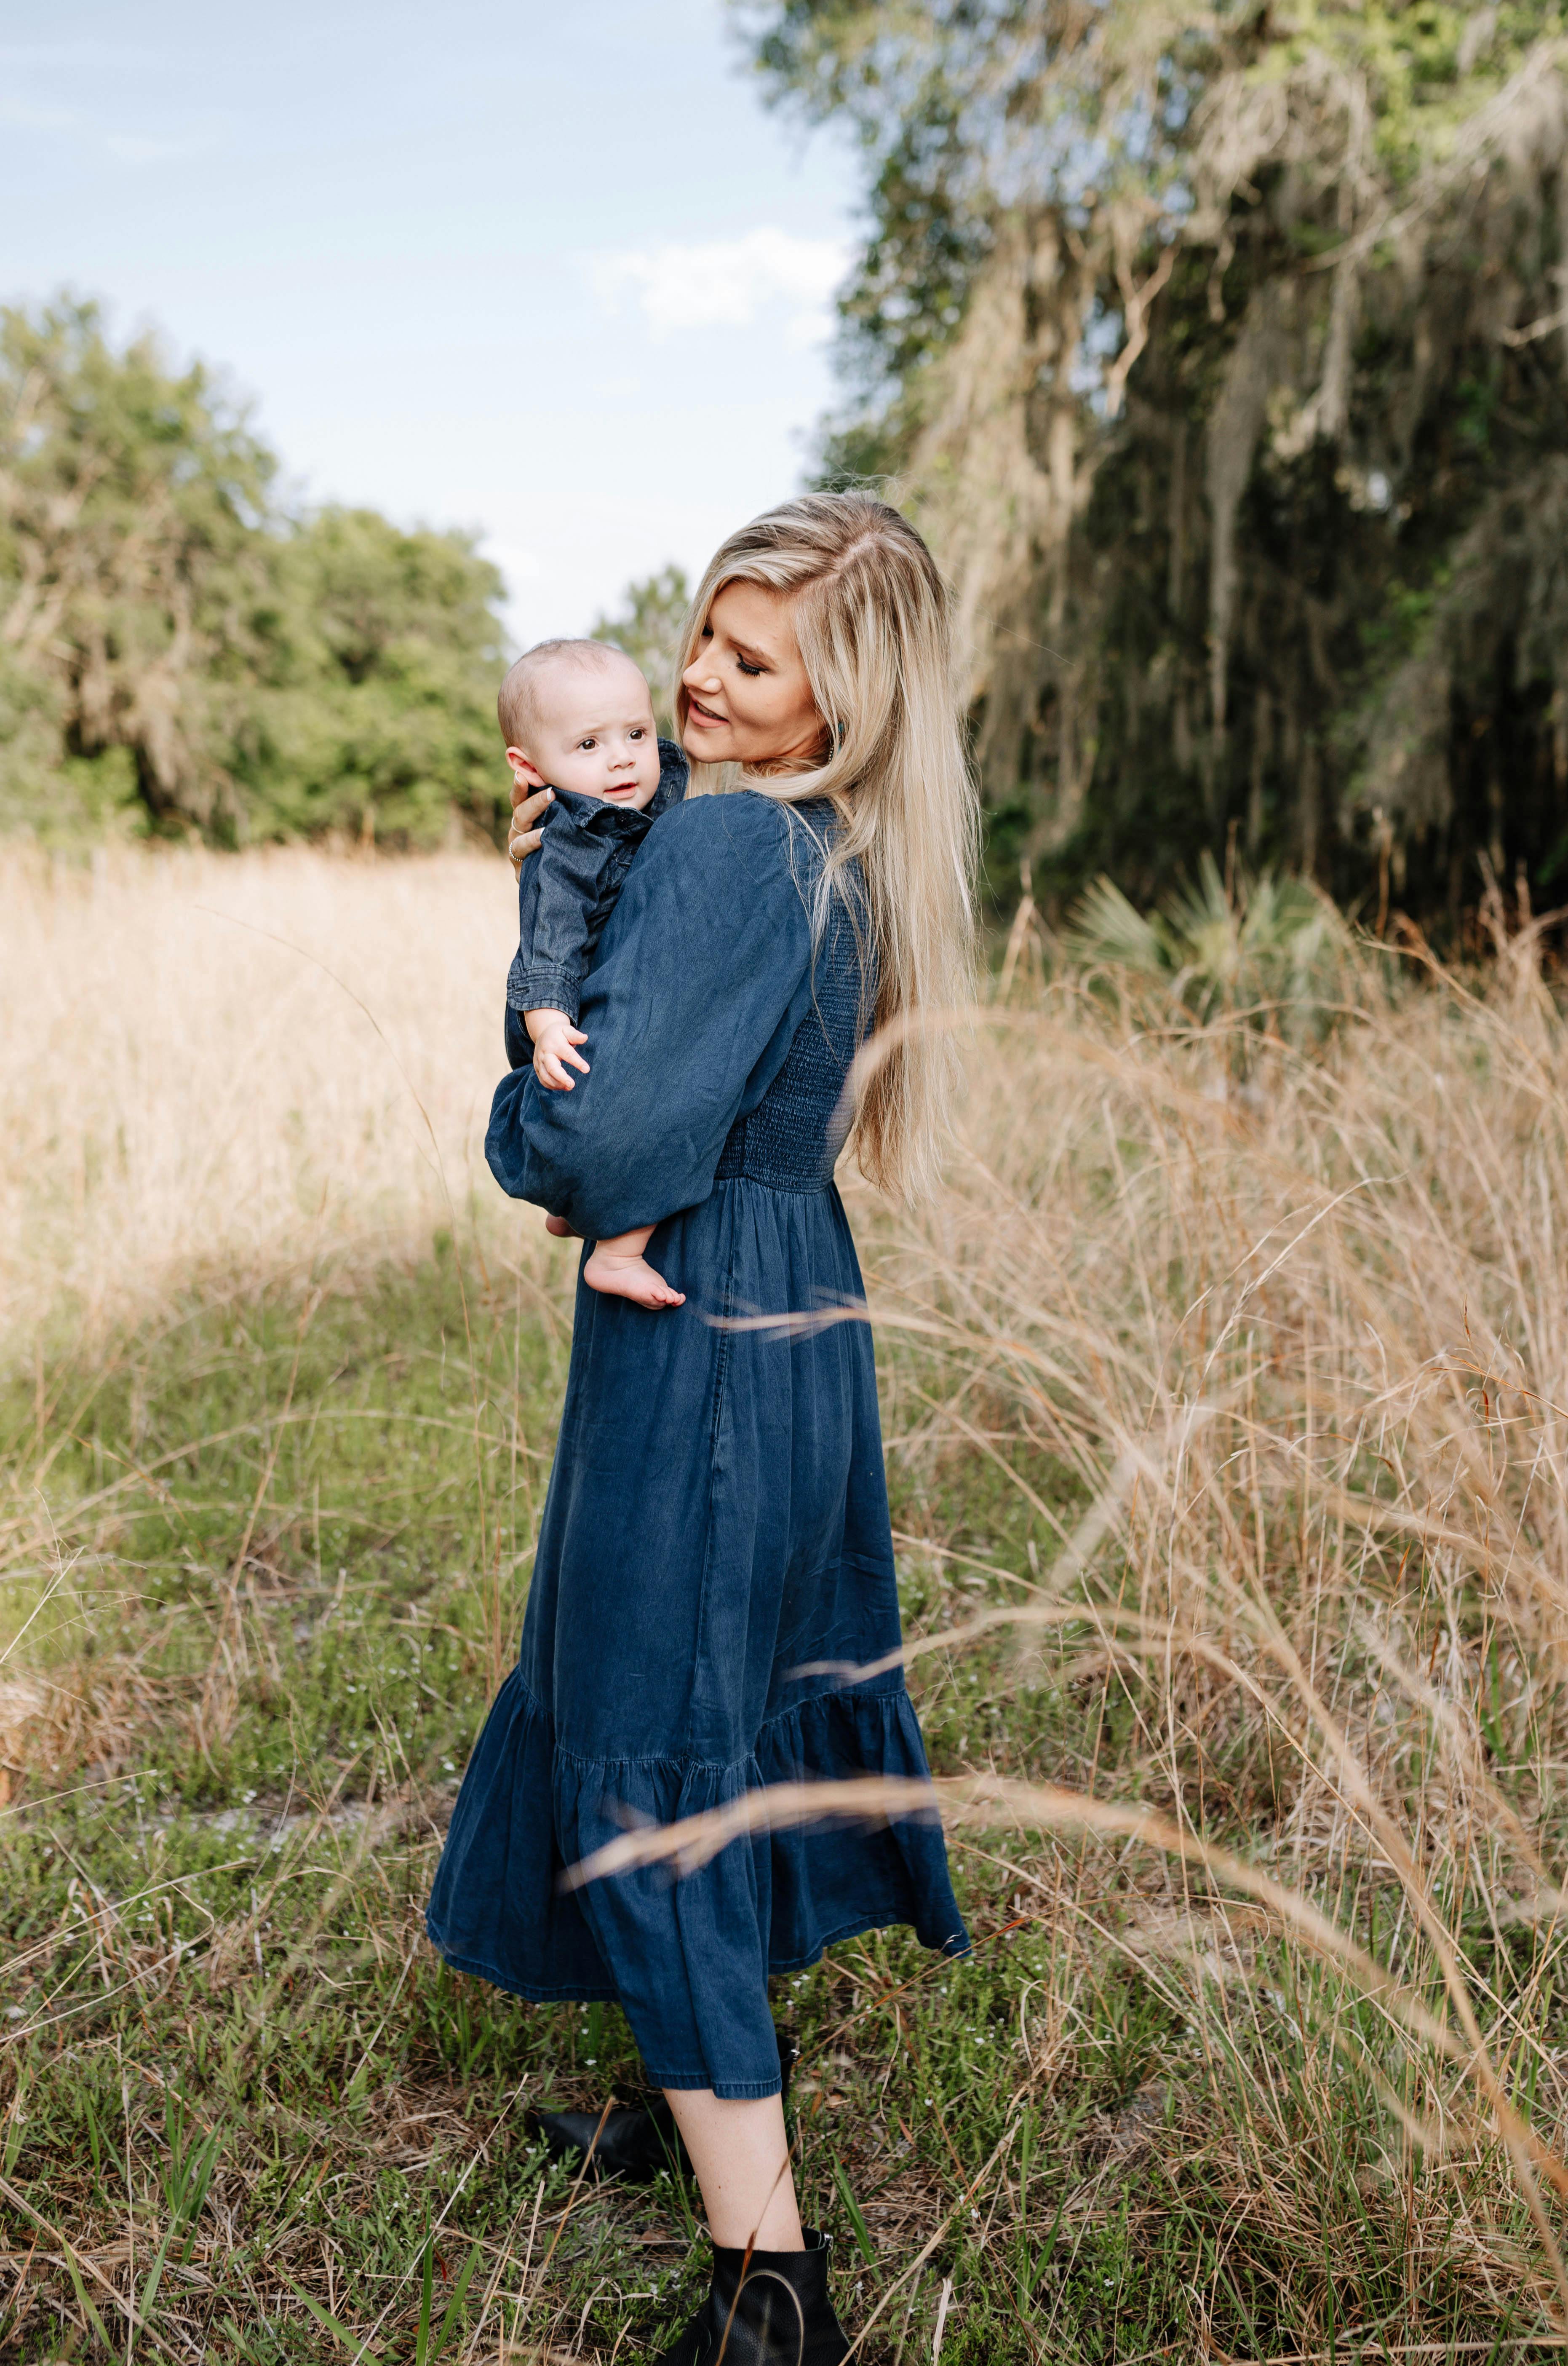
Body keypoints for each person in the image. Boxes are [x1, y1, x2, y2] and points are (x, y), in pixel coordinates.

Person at [427, 492, 978, 2366]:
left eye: (753, 660)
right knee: (710, 1713)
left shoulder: (741, 851)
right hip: (784, 1304)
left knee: (658, 1737)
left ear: (845, 704)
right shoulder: (810, 847)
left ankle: (774, 2293)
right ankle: (704, 2119)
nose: (694, 677)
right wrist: (581, 862)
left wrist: (519, 1111)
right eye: (703, 637)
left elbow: (594, 1140)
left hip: (707, 1343)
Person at [498, 635, 689, 1309]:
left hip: (583, 1001)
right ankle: (618, 1250)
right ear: (529, 767)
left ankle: (568, 1204)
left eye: (637, 733)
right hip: (561, 1011)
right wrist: (548, 1026)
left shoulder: (638, 793)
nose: (621, 759)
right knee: (649, 1109)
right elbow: (549, 944)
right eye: (588, 746)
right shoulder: (571, 839)